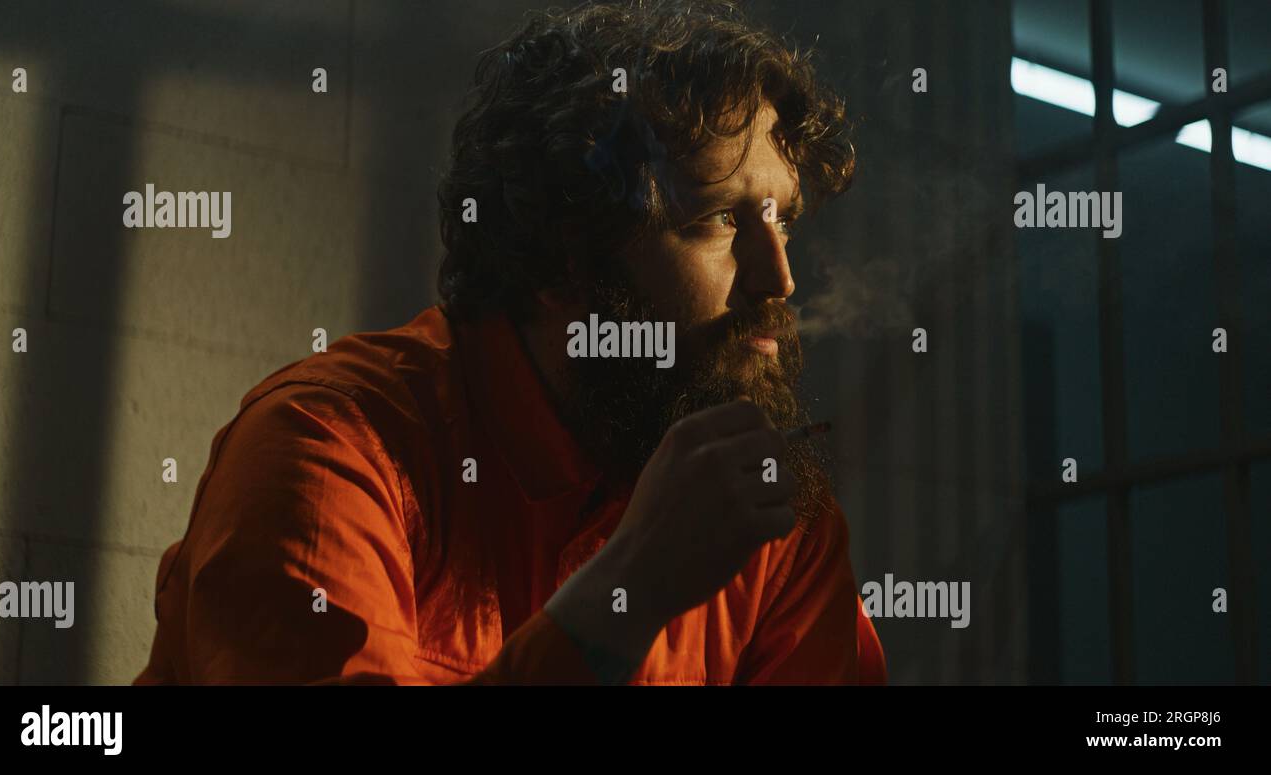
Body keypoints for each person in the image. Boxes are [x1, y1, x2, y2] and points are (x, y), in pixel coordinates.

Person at [135, 0, 885, 685]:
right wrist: (632, 589)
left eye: (781, 219)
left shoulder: (774, 528)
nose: (778, 278)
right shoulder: (331, 450)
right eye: (720, 220)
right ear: (570, 255)